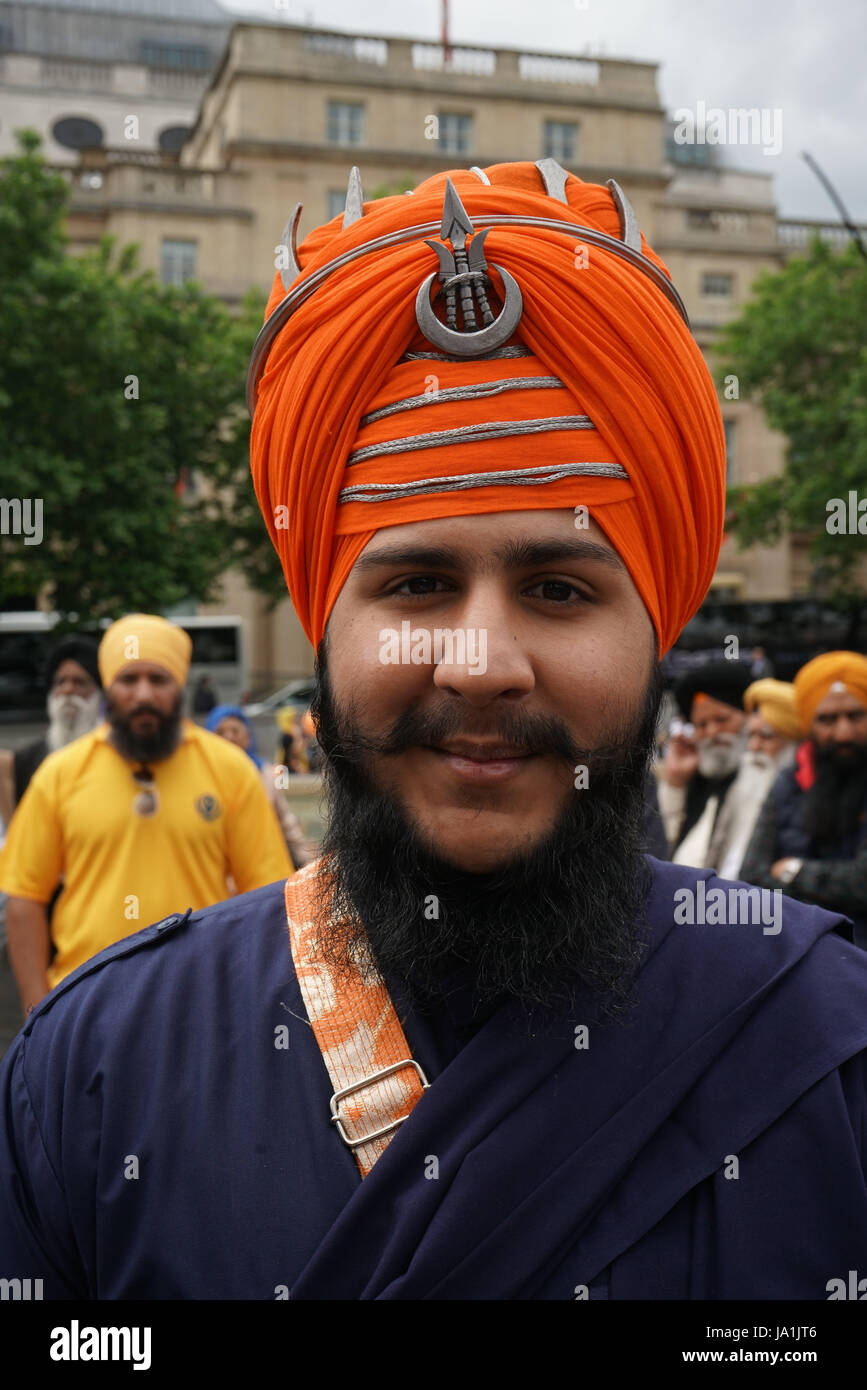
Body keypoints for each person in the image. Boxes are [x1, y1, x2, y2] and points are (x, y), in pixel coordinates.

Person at [0, 164, 865, 1300]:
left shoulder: (827, 1045)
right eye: (414, 586)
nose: (482, 664)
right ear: (324, 629)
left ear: (655, 632)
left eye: (559, 590)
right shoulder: (93, 1071)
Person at [0, 613, 292, 1015]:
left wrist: (250, 1002)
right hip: (83, 1005)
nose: (143, 695)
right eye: (128, 680)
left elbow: (265, 898)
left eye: (158, 680)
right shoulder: (61, 773)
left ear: (179, 687)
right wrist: (38, 1013)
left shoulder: (230, 770)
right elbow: (25, 899)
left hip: (200, 1003)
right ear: (108, 688)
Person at [741, 651, 867, 949]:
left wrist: (793, 871)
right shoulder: (789, 781)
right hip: (796, 948)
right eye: (827, 719)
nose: (843, 733)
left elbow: (863, 883)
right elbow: (752, 875)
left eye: (855, 715)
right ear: (809, 724)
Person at [655, 659, 752, 868]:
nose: (712, 733)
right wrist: (675, 782)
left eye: (722, 720)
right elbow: (663, 847)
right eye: (702, 725)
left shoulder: (763, 774)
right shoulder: (696, 780)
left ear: (748, 720)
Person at [0, 636, 102, 830]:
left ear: (98, 693)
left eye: (79, 682)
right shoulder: (23, 763)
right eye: (60, 682)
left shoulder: (117, 754)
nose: (68, 690)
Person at [206, 702, 314, 867]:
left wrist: (306, 862)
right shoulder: (202, 777)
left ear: (248, 737)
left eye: (235, 731)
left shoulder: (265, 774)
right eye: (220, 732)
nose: (229, 737)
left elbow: (287, 823)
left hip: (263, 866)